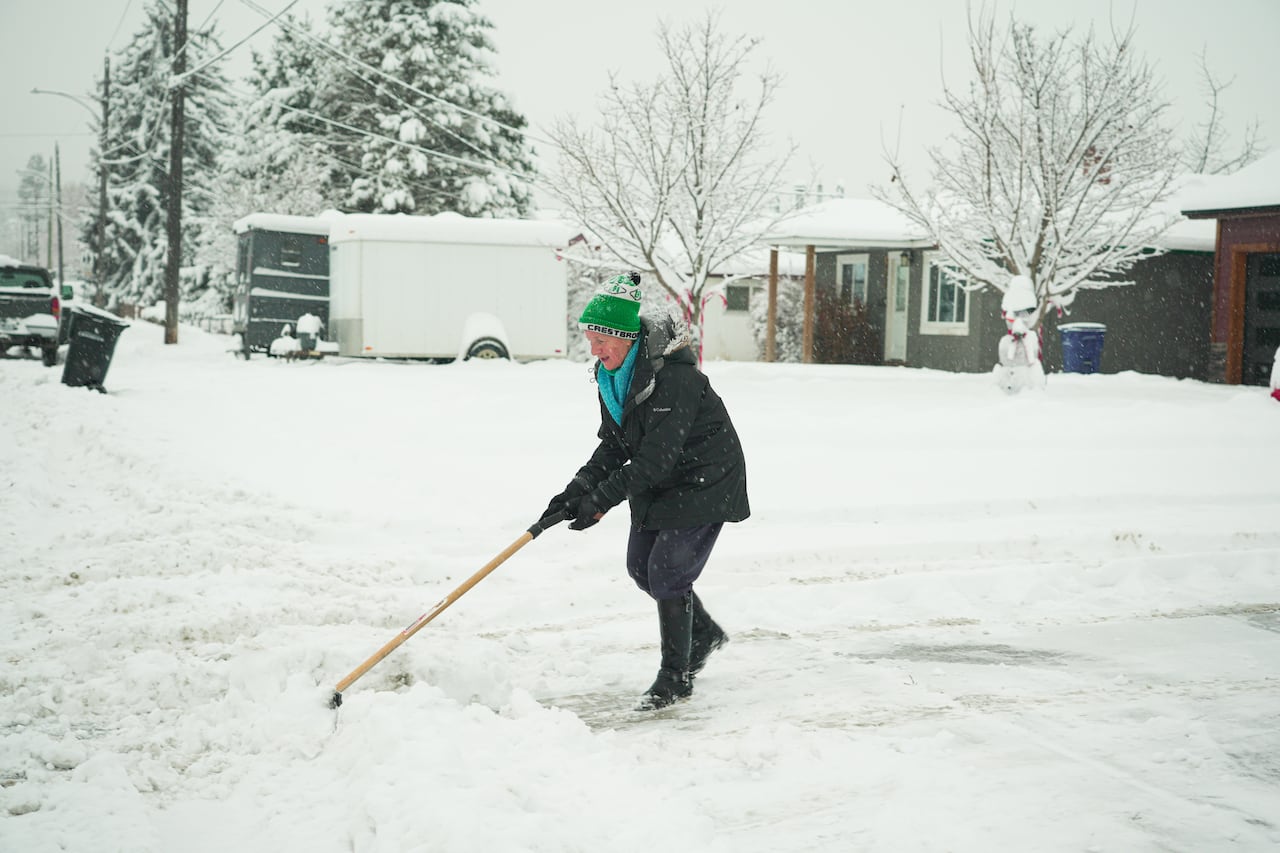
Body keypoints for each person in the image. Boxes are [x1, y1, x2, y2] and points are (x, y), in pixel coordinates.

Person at [541, 272, 750, 710]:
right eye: (590, 341)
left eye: (601, 341)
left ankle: (676, 677)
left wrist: (600, 501)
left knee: (669, 571)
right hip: (663, 480)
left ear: (625, 337)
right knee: (642, 568)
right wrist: (575, 490)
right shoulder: (612, 378)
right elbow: (615, 444)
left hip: (704, 478)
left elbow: (655, 459)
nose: (594, 351)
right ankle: (704, 635)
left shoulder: (674, 381)